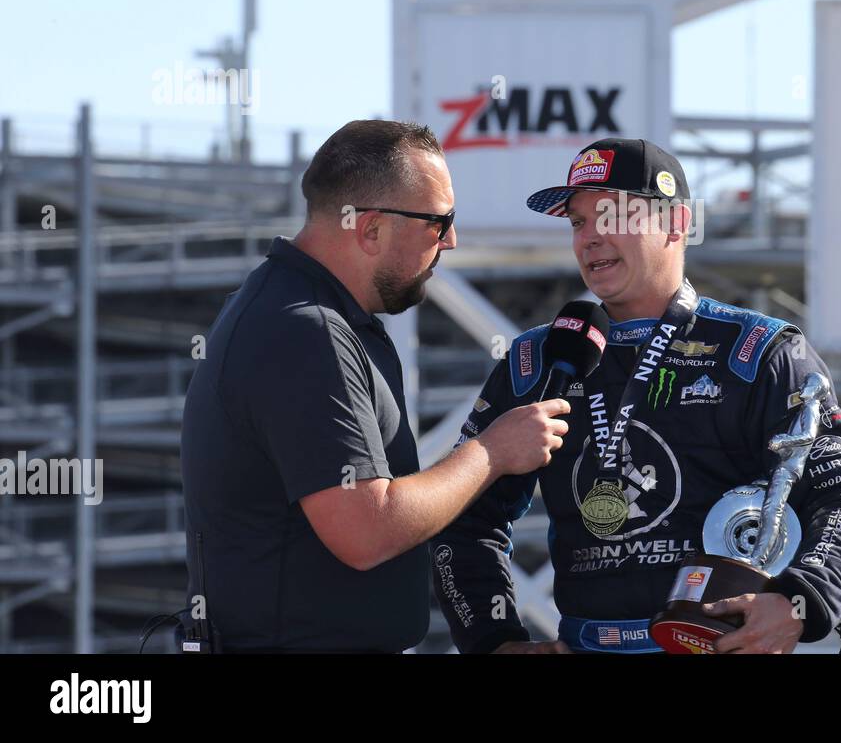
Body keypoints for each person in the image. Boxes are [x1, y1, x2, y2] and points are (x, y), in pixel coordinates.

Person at [432, 137, 841, 654]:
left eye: (612, 215)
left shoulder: (760, 351)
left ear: (676, 222)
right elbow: (465, 517)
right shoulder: (538, 359)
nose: (590, 239)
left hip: (716, 644)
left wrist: (802, 601)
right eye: (578, 223)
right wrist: (494, 641)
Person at [181, 120, 569, 652]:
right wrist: (493, 452)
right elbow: (366, 531)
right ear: (371, 229)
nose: (451, 240)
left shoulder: (293, 308)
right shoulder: (307, 329)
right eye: (439, 222)